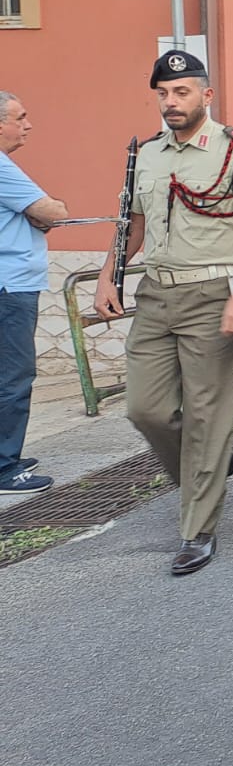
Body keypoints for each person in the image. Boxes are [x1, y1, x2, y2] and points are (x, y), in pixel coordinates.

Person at [93, 52, 233, 574]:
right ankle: (212, 467)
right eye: (163, 95)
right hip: (156, 292)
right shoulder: (147, 153)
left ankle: (198, 530)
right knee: (144, 409)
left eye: (181, 93)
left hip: (213, 293)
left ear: (206, 96)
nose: (170, 103)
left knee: (206, 415)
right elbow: (134, 222)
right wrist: (110, 272)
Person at [0, 91, 68, 495]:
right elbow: (52, 212)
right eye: (20, 117)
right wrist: (44, 210)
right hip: (11, 285)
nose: (28, 125)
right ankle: (6, 468)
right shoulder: (3, 168)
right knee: (14, 375)